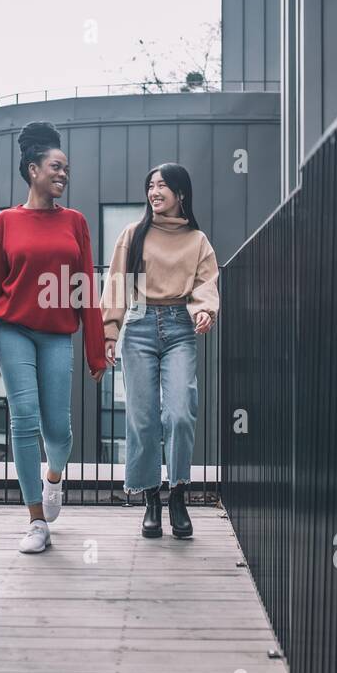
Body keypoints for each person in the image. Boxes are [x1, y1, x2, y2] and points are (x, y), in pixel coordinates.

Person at [0, 122, 107, 553]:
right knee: (23, 419)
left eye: (66, 169)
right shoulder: (6, 223)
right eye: (55, 167)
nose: (63, 174)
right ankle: (35, 521)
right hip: (12, 330)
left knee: (58, 431)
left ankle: (54, 478)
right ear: (33, 170)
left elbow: (84, 286)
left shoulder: (75, 223)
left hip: (57, 335)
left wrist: (96, 353)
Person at [101, 163, 219, 539]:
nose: (154, 191)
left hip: (180, 329)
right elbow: (118, 285)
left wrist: (205, 310)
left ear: (181, 194)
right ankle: (151, 499)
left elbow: (206, 283)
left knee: (181, 412)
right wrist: (109, 334)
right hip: (138, 328)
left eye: (163, 186)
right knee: (143, 418)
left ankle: (178, 494)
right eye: (150, 185)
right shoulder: (134, 234)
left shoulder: (196, 240)